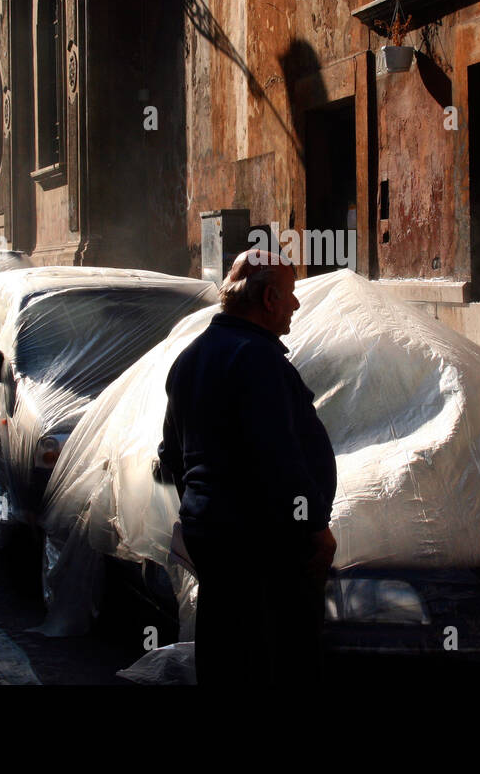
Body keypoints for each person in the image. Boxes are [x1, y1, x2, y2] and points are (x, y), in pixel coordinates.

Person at [158, 249, 338, 684]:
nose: (296, 304)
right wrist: (315, 526)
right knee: (276, 653)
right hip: (263, 541)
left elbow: (171, 456)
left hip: (214, 532)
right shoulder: (257, 360)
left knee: (227, 645)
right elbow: (279, 458)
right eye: (291, 294)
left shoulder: (192, 357)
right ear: (270, 299)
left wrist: (200, 509)